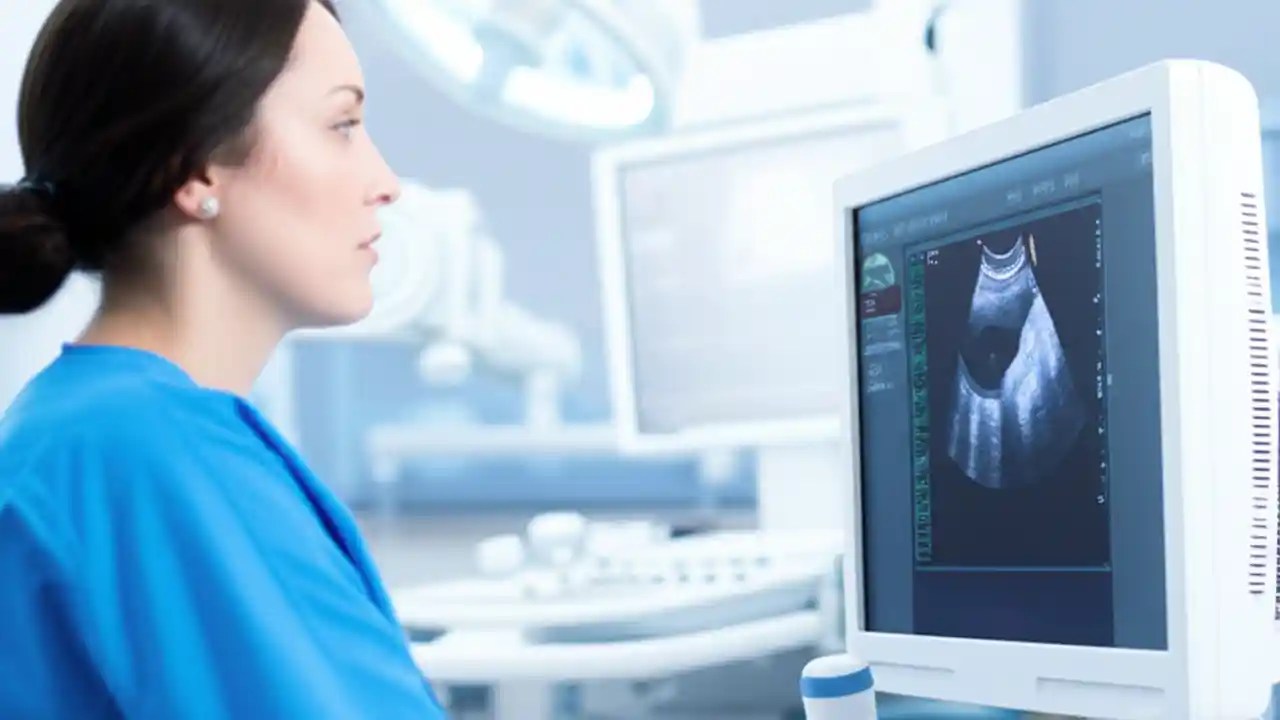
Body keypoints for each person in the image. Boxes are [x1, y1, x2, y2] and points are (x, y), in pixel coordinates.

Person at [0, 0, 449, 717]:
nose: (386, 180)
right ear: (196, 168)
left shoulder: (86, 430)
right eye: (342, 125)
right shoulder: (150, 455)